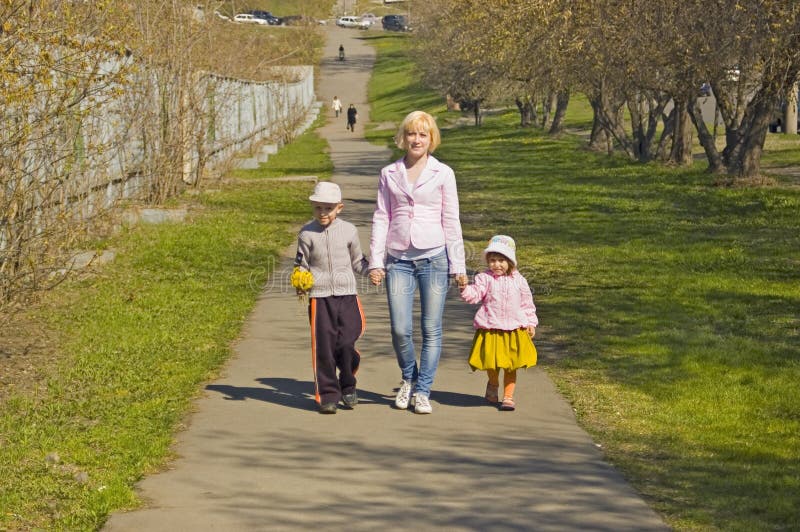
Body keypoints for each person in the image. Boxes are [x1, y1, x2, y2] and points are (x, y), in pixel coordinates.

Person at [369, 110, 468, 414]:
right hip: (398, 258)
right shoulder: (389, 173)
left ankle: (423, 390)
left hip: (433, 258)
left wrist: (458, 266)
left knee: (431, 327)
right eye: (412, 133)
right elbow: (381, 216)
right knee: (400, 328)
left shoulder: (443, 173)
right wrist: (376, 261)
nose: (416, 139)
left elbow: (451, 220)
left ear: (431, 139)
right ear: (403, 137)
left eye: (423, 134)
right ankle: (408, 379)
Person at [293, 181, 369, 414]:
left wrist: (373, 271)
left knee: (347, 342)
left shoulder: (349, 230)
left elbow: (358, 261)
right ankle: (328, 394)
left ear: (339, 208)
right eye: (318, 208)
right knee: (324, 346)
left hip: (347, 295)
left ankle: (348, 383)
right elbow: (301, 264)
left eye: (328, 208)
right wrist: (300, 280)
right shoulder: (307, 233)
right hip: (319, 298)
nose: (323, 213)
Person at [459, 235, 538, 411]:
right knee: (492, 364)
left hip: (514, 330)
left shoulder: (519, 281)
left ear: (510, 261)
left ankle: (508, 397)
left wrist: (531, 323)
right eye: (493, 260)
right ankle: (493, 384)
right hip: (491, 329)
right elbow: (475, 295)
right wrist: (465, 288)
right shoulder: (484, 278)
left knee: (511, 366)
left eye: (501, 260)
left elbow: (527, 304)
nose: (497, 264)